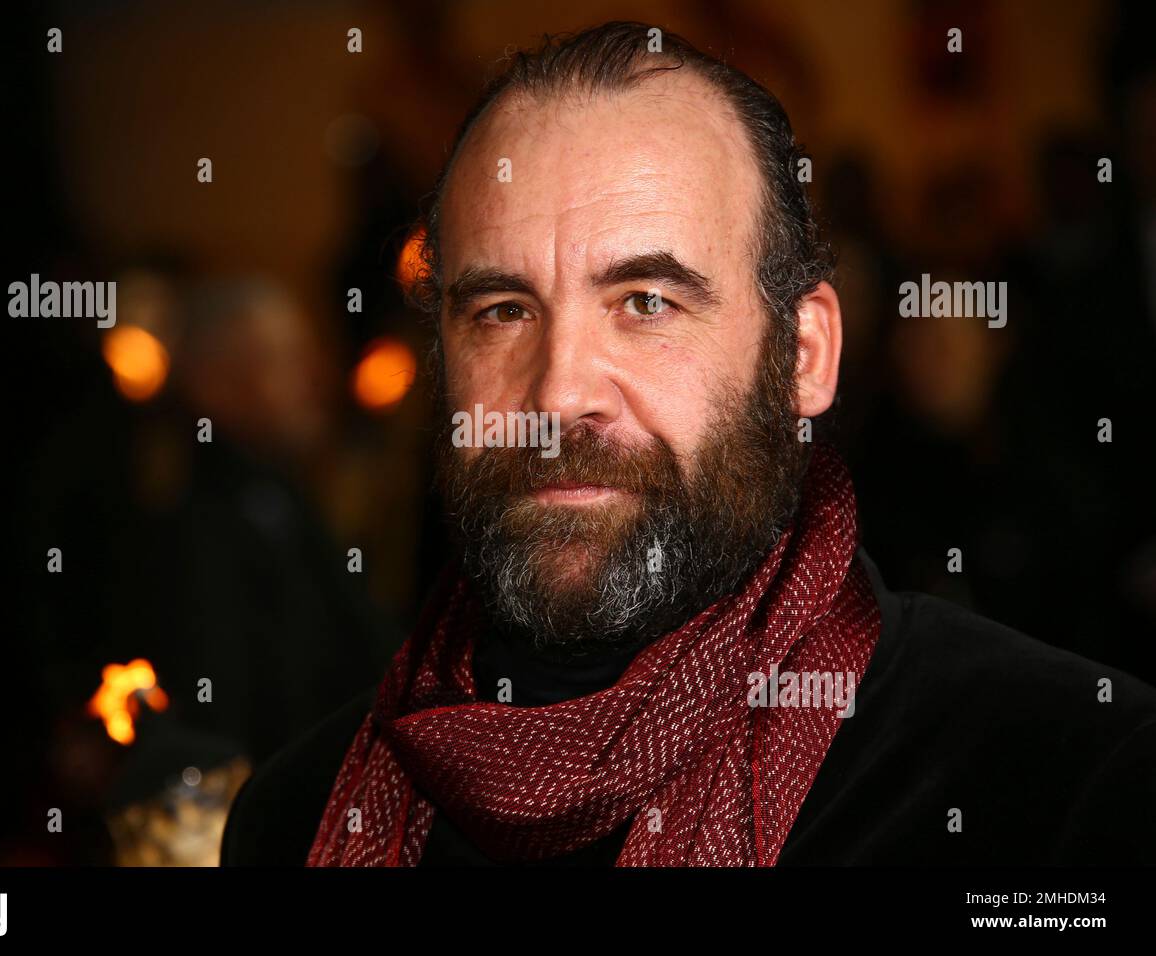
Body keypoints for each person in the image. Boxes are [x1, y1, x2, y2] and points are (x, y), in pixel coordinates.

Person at [221, 21, 1156, 867]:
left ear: (804, 356)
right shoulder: (292, 820)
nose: (559, 394)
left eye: (646, 303)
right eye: (503, 312)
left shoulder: (1064, 782)